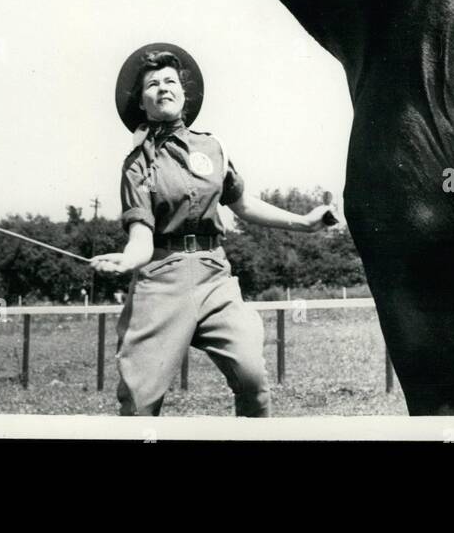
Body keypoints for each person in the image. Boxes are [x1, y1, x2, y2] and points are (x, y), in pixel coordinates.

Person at [90, 43, 334, 417]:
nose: (163, 88)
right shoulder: (136, 164)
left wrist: (304, 223)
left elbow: (243, 204)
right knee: (139, 403)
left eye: (170, 81)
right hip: (162, 279)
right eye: (152, 84)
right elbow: (140, 237)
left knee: (253, 381)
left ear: (184, 94)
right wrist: (125, 262)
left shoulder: (213, 147)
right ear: (142, 102)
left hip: (215, 277)